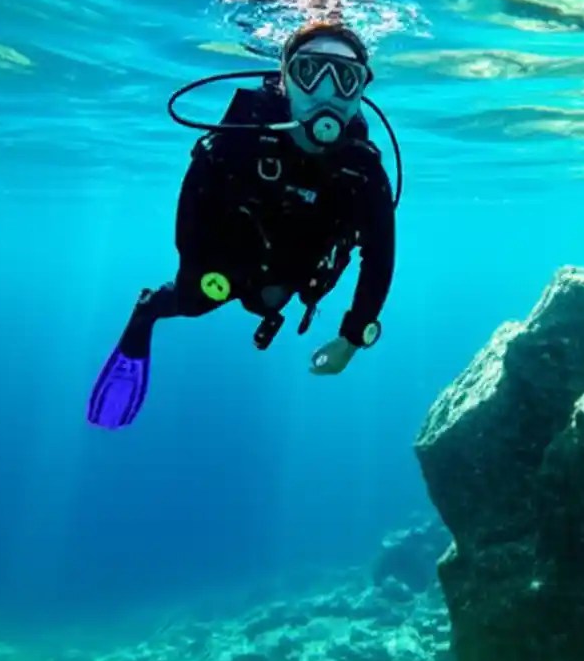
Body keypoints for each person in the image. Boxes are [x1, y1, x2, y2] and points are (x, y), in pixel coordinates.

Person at [86, 21, 398, 430]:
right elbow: (191, 210)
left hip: (293, 275)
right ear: (285, 78)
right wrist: (198, 273)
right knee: (193, 302)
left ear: (361, 91)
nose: (326, 92)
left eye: (345, 79)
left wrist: (354, 336)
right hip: (227, 266)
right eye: (310, 72)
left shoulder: (363, 169)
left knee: (271, 301)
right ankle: (145, 314)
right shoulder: (240, 138)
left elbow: (380, 255)